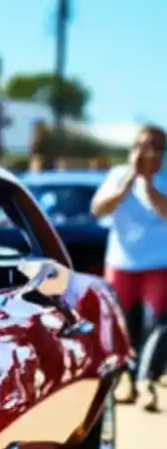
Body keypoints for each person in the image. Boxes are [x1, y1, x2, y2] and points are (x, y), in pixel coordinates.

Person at [90, 124, 167, 411]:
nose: (148, 153)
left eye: (156, 147)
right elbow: (99, 209)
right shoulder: (117, 176)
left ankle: (147, 381)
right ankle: (126, 379)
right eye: (142, 146)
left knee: (156, 326)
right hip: (122, 263)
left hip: (159, 263)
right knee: (121, 326)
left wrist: (148, 184)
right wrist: (130, 179)